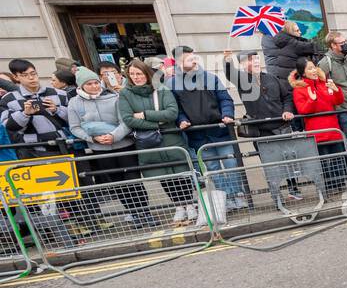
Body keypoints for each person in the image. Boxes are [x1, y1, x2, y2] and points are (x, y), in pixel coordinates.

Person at [67, 66, 156, 228]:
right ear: (81, 86)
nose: (94, 86)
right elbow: (74, 127)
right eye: (89, 84)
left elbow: (125, 121)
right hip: (99, 149)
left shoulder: (114, 97)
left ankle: (145, 211)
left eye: (96, 83)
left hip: (124, 145)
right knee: (117, 182)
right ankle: (134, 213)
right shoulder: (74, 103)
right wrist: (92, 138)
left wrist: (114, 136)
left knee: (133, 179)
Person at [168, 47, 248, 210]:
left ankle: (237, 195)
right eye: (188, 58)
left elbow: (225, 99)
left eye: (193, 57)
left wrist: (227, 114)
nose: (194, 60)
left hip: (220, 130)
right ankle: (224, 198)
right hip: (197, 135)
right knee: (212, 169)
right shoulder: (172, 84)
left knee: (231, 162)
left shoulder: (210, 77)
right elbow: (175, 109)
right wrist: (181, 120)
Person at [117, 59, 194, 225]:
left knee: (181, 173)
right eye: (132, 74)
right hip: (149, 142)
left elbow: (172, 113)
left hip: (171, 139)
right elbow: (129, 119)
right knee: (164, 176)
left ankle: (190, 204)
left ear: (146, 73)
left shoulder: (162, 89)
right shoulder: (125, 94)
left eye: (139, 73)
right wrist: (157, 123)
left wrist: (145, 115)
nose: (136, 77)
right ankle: (179, 207)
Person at [288, 57, 347, 195]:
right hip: (317, 132)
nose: (314, 70)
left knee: (338, 159)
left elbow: (338, 101)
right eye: (310, 68)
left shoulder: (323, 83)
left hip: (333, 129)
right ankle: (327, 188)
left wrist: (336, 90)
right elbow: (302, 110)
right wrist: (311, 100)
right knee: (323, 163)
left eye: (314, 67)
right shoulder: (300, 89)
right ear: (303, 73)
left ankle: (340, 184)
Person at [2, 59, 69, 158]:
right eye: (25, 75)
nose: (31, 78)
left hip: (66, 146)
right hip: (33, 150)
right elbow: (8, 126)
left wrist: (57, 110)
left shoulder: (60, 93)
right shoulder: (8, 99)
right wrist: (25, 114)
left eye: (33, 73)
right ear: (16, 77)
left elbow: (76, 118)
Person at [262, 21, 318, 95]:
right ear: (290, 32)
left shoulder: (269, 39)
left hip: (279, 79)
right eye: (297, 30)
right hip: (290, 82)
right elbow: (310, 47)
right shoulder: (288, 42)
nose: (300, 32)